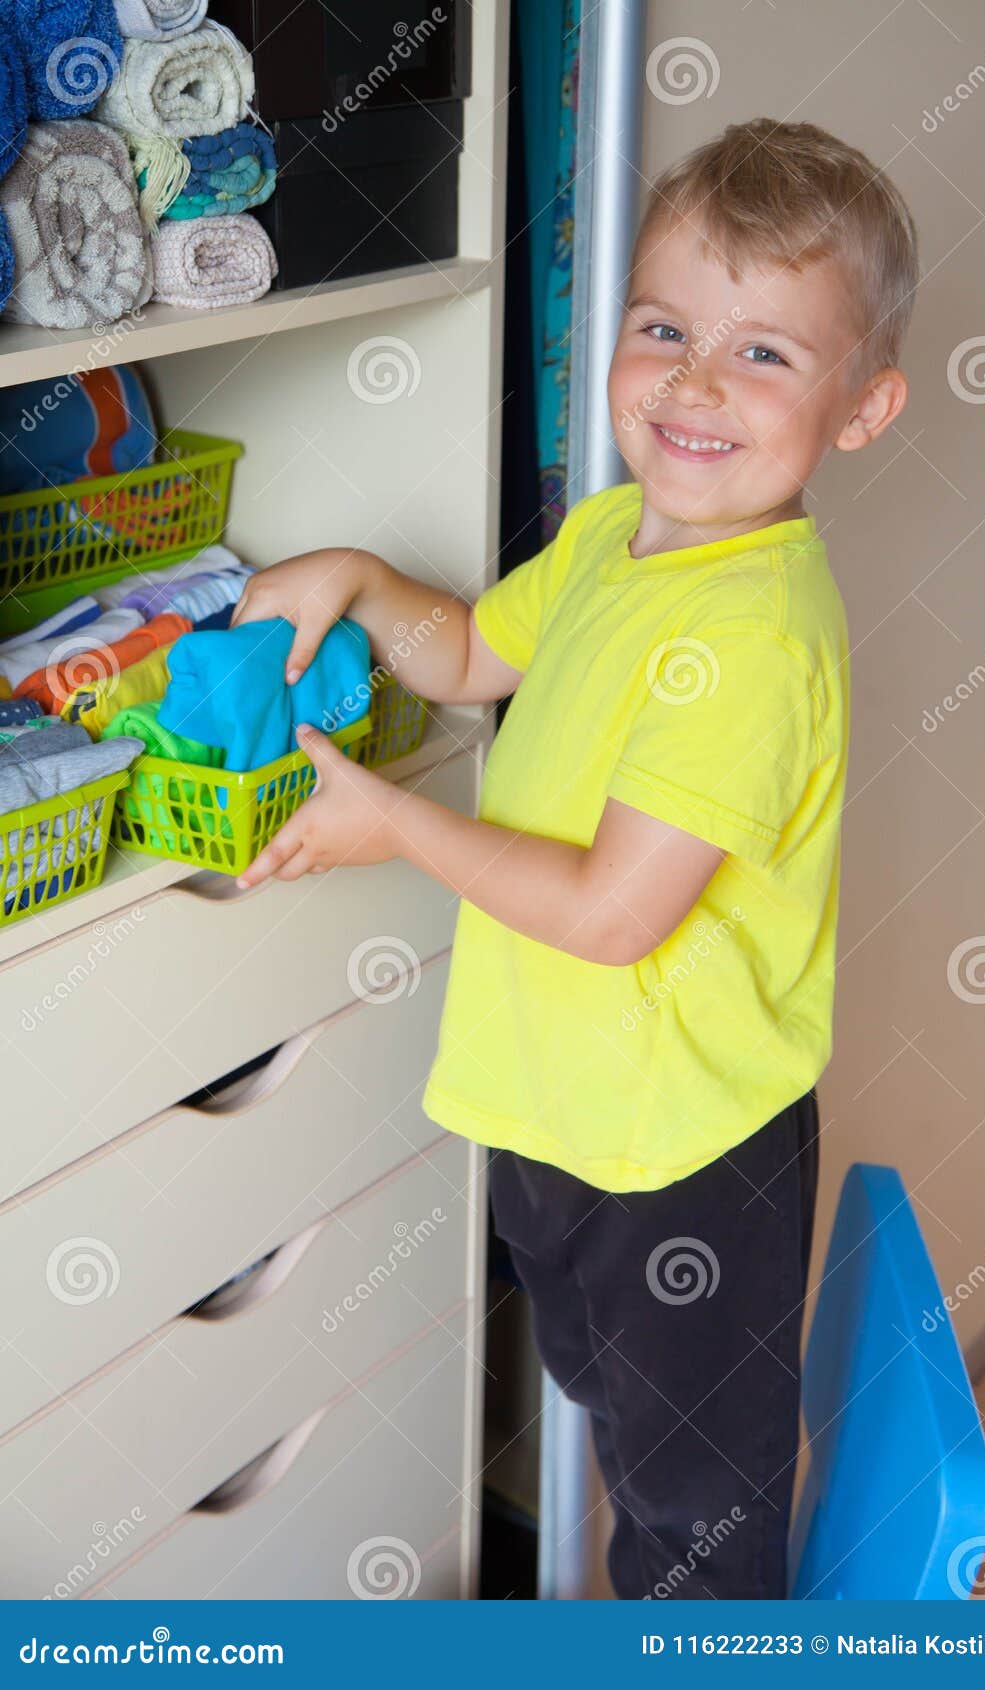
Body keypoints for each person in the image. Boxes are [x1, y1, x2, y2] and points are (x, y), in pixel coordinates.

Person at [232, 116, 918, 1599]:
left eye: (764, 355)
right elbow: (475, 651)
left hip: (681, 1157)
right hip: (563, 1117)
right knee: (630, 1450)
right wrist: (359, 575)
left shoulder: (749, 635)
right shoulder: (623, 536)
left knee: (692, 1526)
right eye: (665, 327)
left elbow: (615, 916)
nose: (691, 383)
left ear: (864, 409)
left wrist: (394, 823)